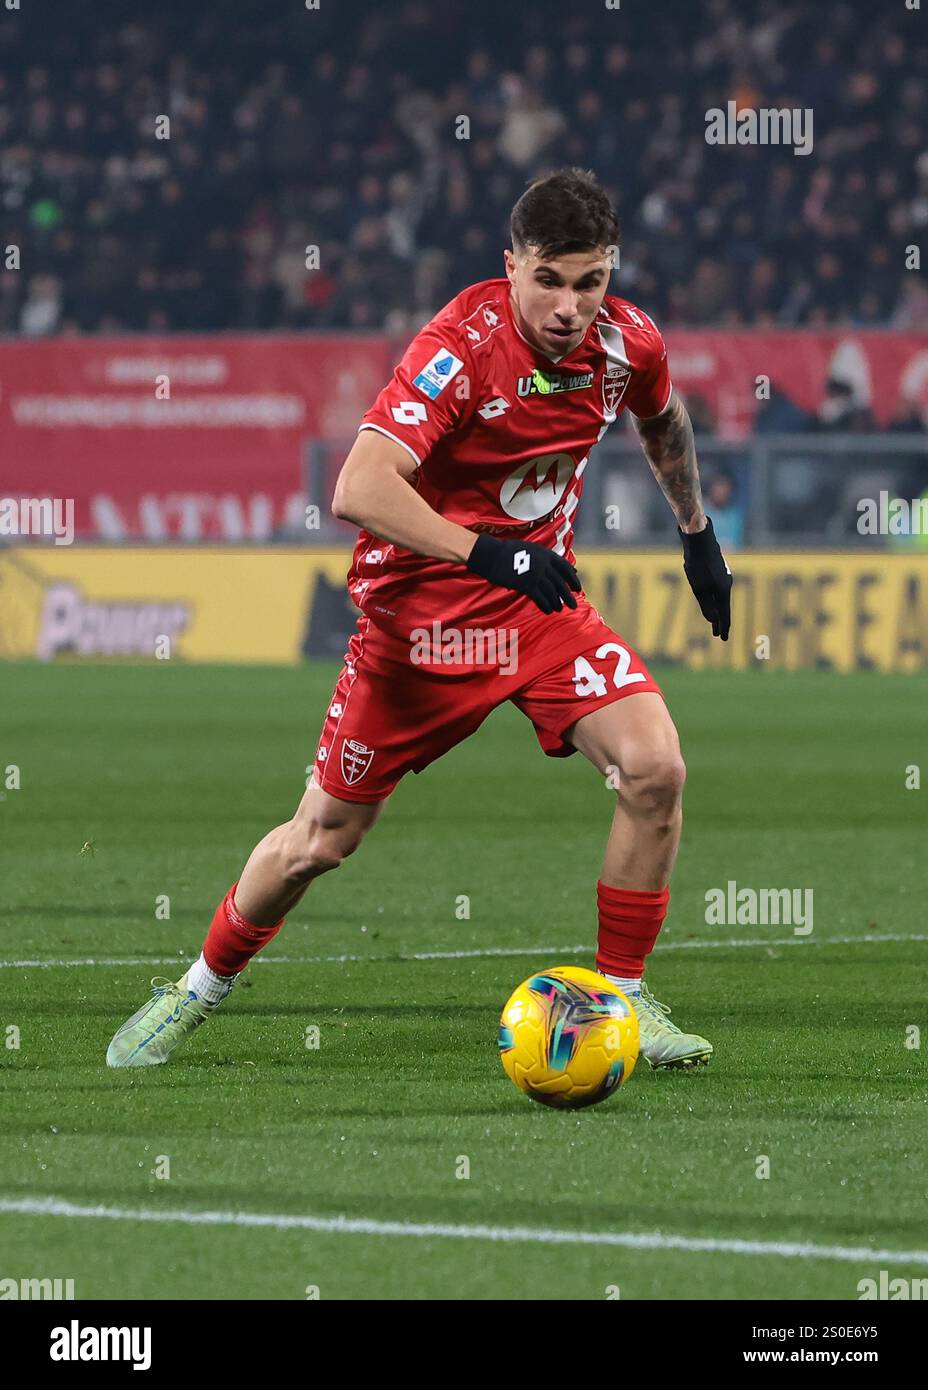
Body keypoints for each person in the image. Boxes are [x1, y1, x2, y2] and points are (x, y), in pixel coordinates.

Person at [107, 168, 732, 1072]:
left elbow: (664, 421)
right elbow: (358, 486)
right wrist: (488, 550)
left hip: (538, 611)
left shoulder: (628, 344)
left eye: (588, 283)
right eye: (548, 280)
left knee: (656, 768)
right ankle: (195, 991)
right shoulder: (459, 349)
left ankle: (623, 1004)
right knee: (320, 840)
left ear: (612, 274)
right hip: (420, 625)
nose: (568, 307)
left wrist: (696, 534)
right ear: (510, 264)